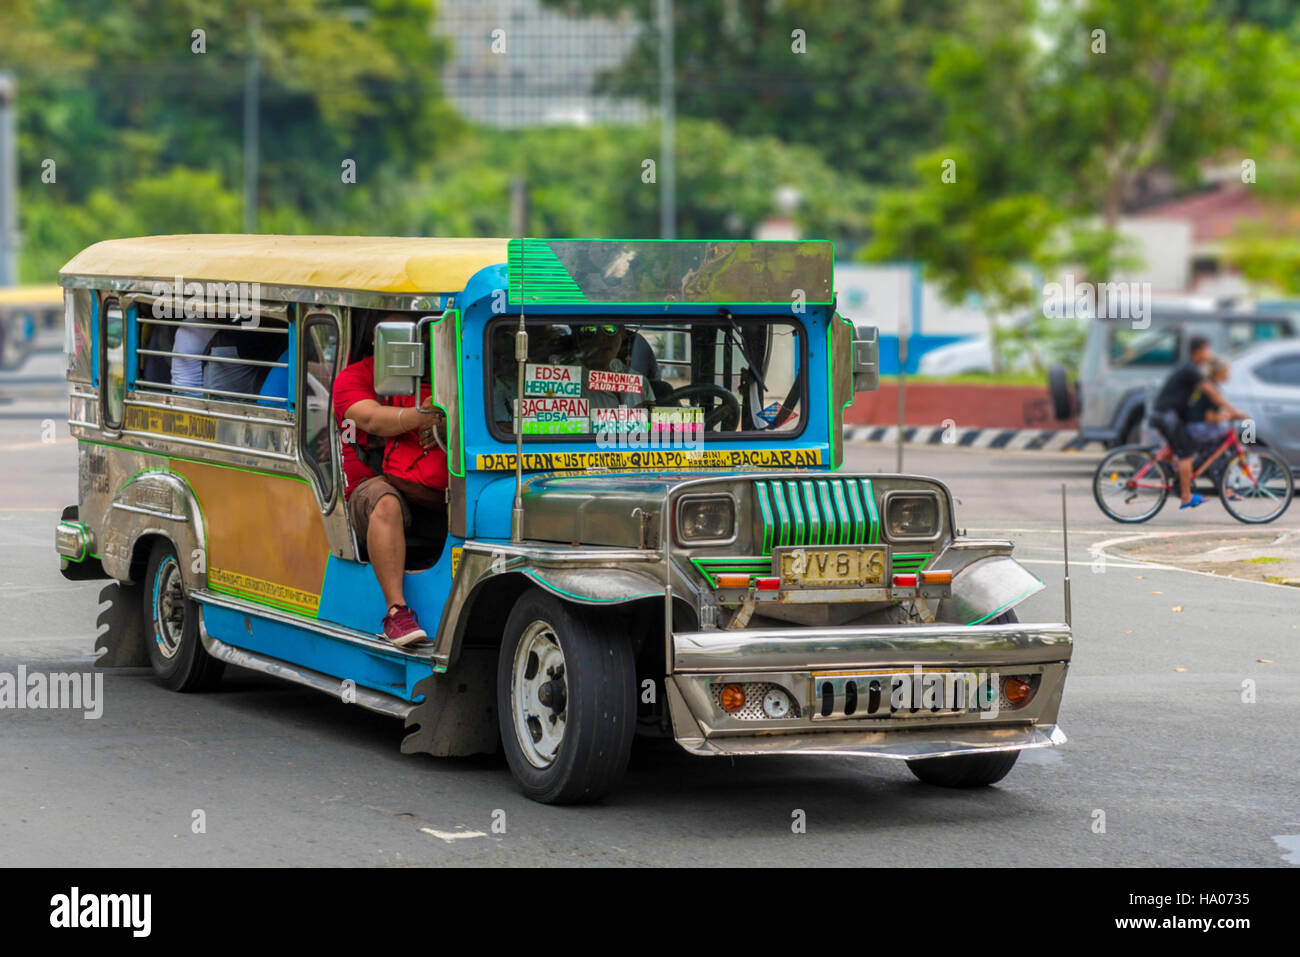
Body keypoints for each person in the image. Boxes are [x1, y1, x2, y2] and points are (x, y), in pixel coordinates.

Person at [333, 313, 448, 647]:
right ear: (375, 337)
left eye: (415, 332)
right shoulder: (353, 377)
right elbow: (370, 418)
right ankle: (396, 612)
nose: (408, 340)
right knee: (384, 501)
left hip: (439, 490)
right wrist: (423, 416)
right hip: (373, 488)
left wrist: (445, 420)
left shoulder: (449, 372)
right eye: (396, 332)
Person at [1149, 336, 1244, 509]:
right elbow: (1211, 393)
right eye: (1208, 350)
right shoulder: (1191, 370)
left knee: (1185, 450)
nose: (1210, 354)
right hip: (1167, 416)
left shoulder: (1189, 368)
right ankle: (1186, 496)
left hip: (1167, 416)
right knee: (1186, 455)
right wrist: (1234, 412)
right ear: (1199, 351)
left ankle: (1176, 474)